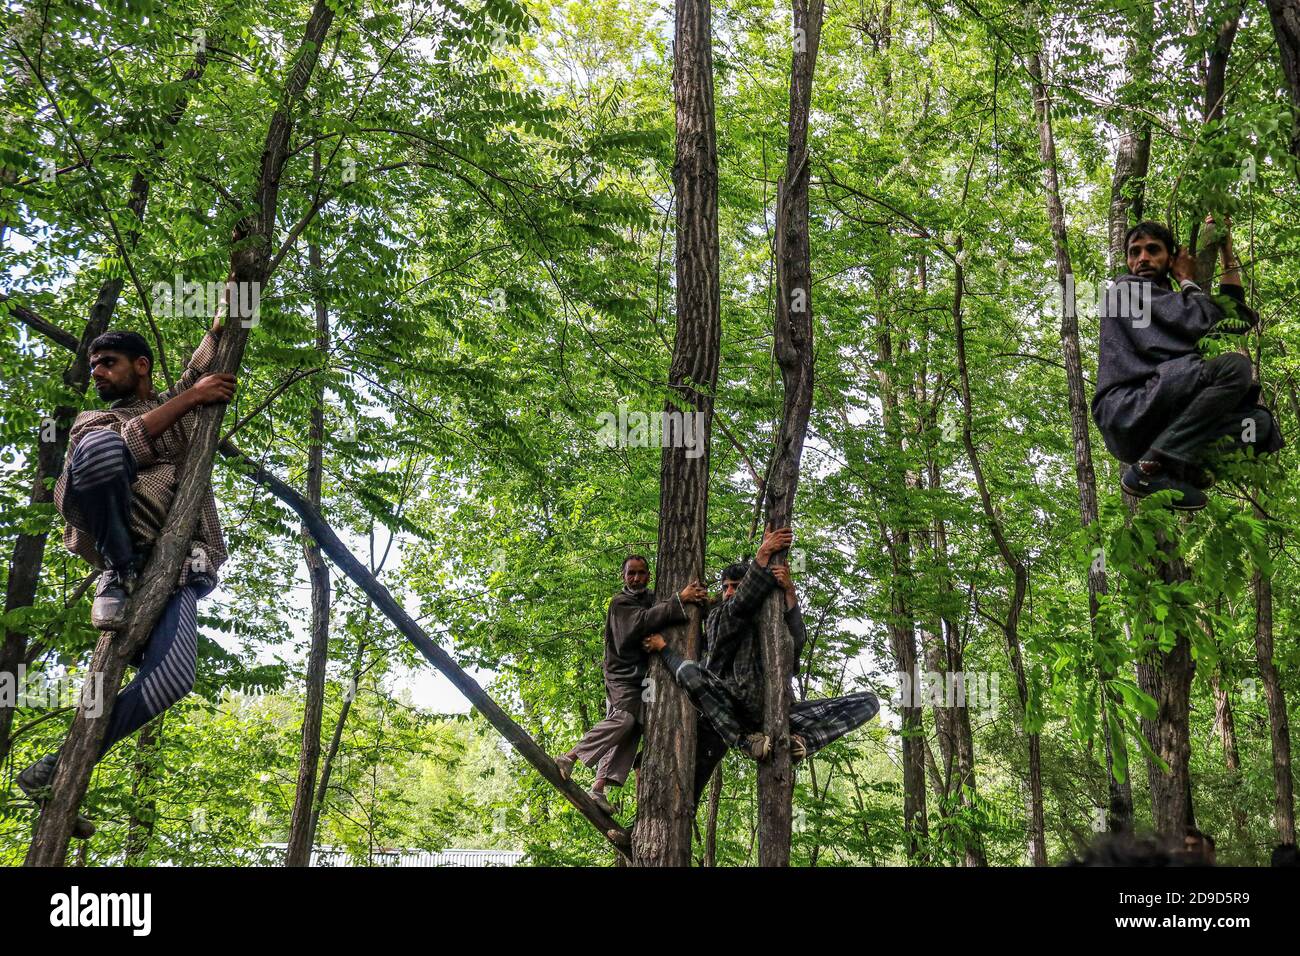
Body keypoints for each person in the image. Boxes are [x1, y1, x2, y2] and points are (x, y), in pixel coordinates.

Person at [14, 310, 235, 837]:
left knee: (175, 678)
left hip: (172, 566)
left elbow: (216, 340)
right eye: (93, 364)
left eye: (107, 363)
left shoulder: (177, 411)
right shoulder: (94, 422)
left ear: (141, 366)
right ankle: (118, 570)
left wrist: (238, 283)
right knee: (99, 450)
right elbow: (124, 447)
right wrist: (192, 397)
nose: (97, 372)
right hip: (117, 545)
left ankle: (61, 768)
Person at [645, 526, 879, 805]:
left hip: (777, 712)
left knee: (868, 702)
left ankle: (802, 742)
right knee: (688, 672)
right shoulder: (720, 616)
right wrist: (763, 554)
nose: (729, 592)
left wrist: (789, 592)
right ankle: (745, 742)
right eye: (725, 587)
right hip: (734, 710)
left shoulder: (768, 622)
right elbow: (737, 610)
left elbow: (794, 646)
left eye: (736, 586)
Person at [1091, 217, 1283, 510]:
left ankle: (1175, 465)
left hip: (1160, 421)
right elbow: (1203, 319)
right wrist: (1187, 280)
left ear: (1169, 258)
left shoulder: (1170, 301)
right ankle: (1149, 471)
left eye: (1152, 250)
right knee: (1234, 368)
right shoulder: (1125, 290)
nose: (1142, 258)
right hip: (1129, 408)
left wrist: (1226, 252)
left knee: (1258, 425)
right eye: (1135, 251)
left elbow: (1235, 320)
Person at [553, 555, 708, 814]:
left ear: (649, 575)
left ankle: (599, 788)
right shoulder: (620, 603)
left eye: (641, 573)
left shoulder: (649, 599)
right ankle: (569, 757)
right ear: (623, 577)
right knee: (624, 719)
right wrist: (679, 599)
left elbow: (656, 614)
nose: (636, 578)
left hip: (644, 679)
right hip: (622, 675)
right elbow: (639, 624)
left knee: (635, 726)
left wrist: (703, 602)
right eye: (631, 574)